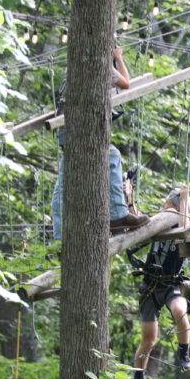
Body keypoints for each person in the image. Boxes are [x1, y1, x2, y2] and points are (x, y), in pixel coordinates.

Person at [52, 44, 149, 239]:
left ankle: (60, 237)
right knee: (112, 155)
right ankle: (117, 214)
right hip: (84, 129)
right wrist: (118, 57)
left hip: (67, 130)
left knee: (64, 181)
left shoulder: (76, 65)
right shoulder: (100, 63)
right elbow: (126, 83)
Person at [127, 188, 190, 379]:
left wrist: (183, 200)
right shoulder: (157, 223)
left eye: (169, 204)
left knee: (179, 311)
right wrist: (130, 196)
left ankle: (184, 354)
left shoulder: (186, 224)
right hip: (151, 285)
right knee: (148, 338)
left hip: (172, 284)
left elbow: (185, 229)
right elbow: (136, 223)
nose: (165, 207)